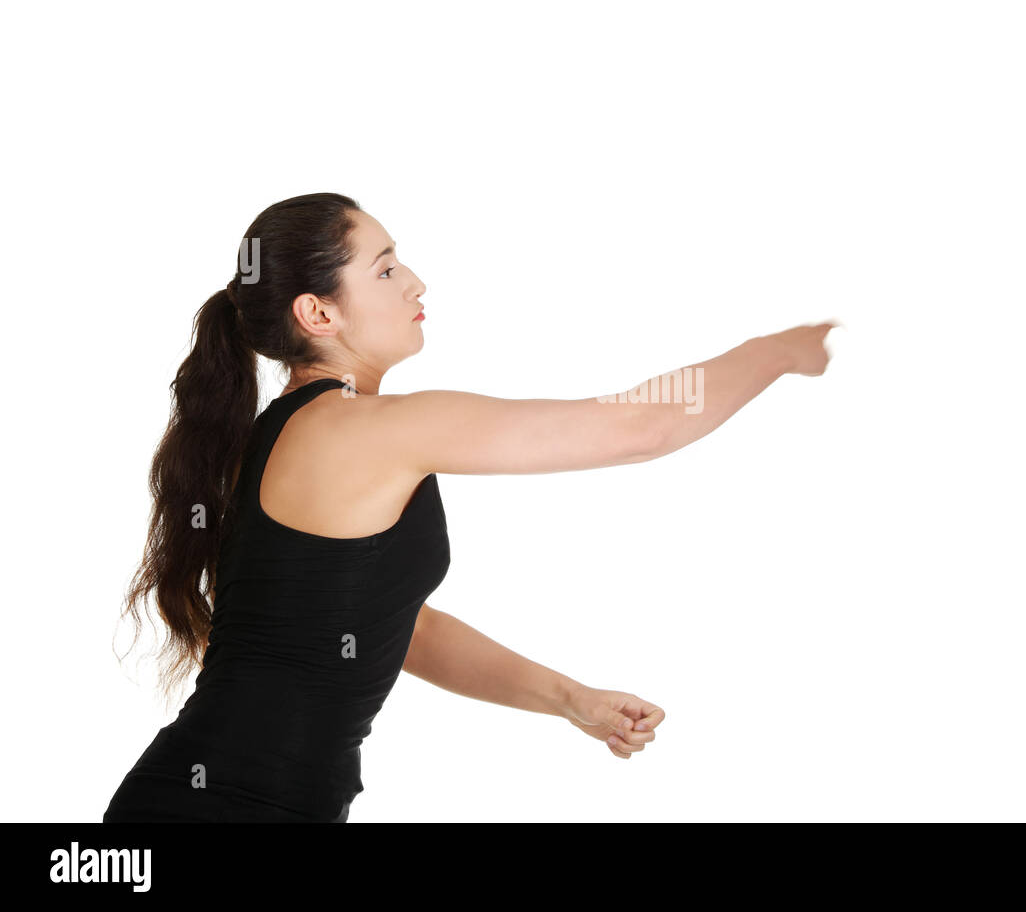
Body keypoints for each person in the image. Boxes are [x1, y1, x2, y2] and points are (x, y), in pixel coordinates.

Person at [103, 191, 836, 822]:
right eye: (385, 268)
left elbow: (394, 626)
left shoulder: (314, 432)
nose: (415, 281)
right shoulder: (359, 429)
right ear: (318, 312)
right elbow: (643, 426)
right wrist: (780, 349)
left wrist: (570, 699)